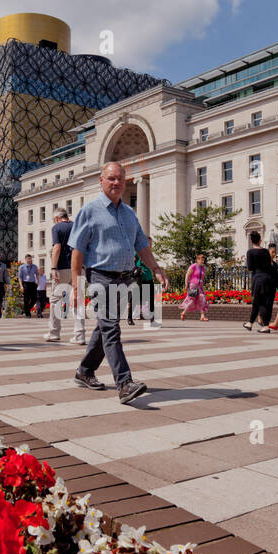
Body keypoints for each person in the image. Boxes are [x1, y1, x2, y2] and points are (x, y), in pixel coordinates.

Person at [69, 162, 170, 404]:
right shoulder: (90, 210)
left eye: (120, 179)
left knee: (104, 328)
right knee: (111, 329)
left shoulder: (128, 212)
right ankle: (124, 384)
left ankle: (84, 371)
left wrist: (156, 268)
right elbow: (77, 251)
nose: (116, 183)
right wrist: (75, 286)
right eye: (111, 178)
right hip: (100, 276)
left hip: (124, 278)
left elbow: (142, 245)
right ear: (101, 181)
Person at [46, 209, 86, 344]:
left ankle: (54, 332)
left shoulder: (57, 228)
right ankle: (79, 335)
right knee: (78, 300)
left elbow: (57, 247)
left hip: (63, 267)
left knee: (55, 300)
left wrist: (53, 267)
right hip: (79, 267)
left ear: (57, 218)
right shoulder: (77, 226)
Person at [245, 230, 276, 332]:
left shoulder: (250, 252)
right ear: (260, 240)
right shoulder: (265, 252)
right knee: (266, 303)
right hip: (268, 278)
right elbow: (269, 265)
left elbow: (250, 267)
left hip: (257, 279)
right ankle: (258, 324)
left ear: (251, 240)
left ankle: (252, 323)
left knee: (257, 302)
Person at [179, 254, 210, 322]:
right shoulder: (193, 266)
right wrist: (186, 284)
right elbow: (187, 275)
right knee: (191, 300)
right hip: (193, 285)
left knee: (202, 299)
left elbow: (202, 277)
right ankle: (183, 313)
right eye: (201, 260)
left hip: (200, 286)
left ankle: (202, 316)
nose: (202, 261)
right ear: (197, 260)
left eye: (203, 260)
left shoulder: (202, 268)